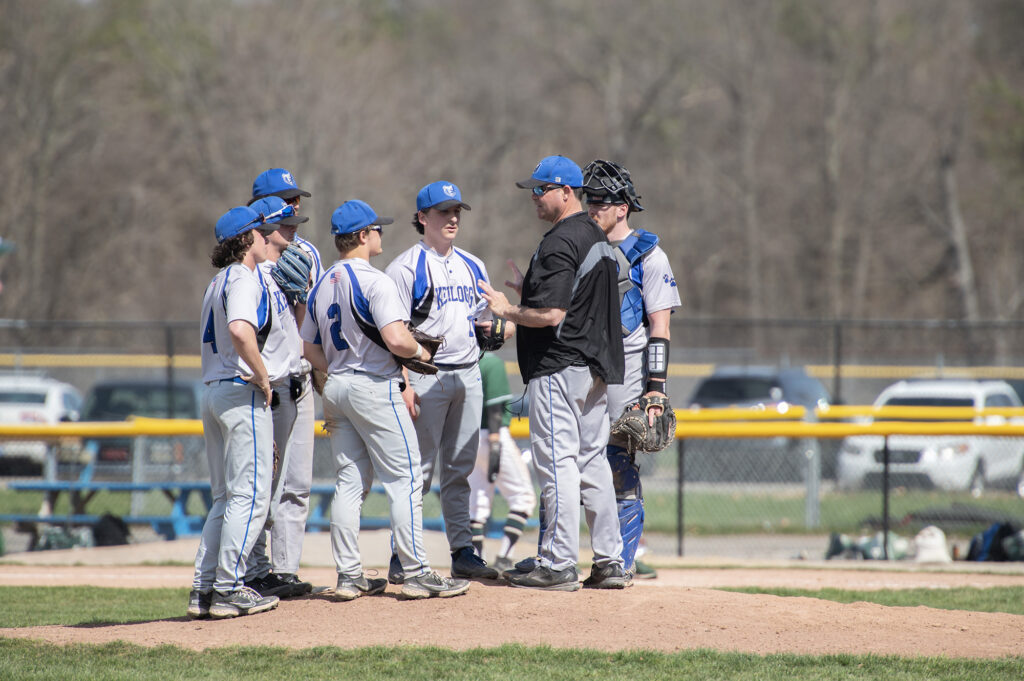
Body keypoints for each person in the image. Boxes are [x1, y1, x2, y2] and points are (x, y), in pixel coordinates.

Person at [300, 199, 471, 600]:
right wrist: (421, 353)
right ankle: (416, 573)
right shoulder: (377, 281)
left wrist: (340, 366)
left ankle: (348, 575)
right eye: (376, 229)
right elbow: (396, 339)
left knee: (349, 482)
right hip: (374, 386)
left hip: (338, 387)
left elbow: (307, 347)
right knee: (407, 479)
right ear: (362, 236)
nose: (381, 234)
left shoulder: (323, 282)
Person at [478, 155, 626, 591]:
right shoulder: (594, 236)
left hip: (561, 366)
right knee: (591, 461)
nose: (535, 197)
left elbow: (554, 314)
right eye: (533, 190)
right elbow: (576, 301)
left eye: (541, 189)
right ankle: (609, 560)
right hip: (595, 367)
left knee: (557, 460)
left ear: (567, 192)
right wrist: (530, 291)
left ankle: (559, 562)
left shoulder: (561, 239)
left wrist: (507, 310)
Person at [384, 181, 510, 582]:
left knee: (459, 470)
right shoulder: (404, 268)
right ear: (422, 218)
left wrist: (496, 328)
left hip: (468, 373)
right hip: (424, 376)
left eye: (457, 210)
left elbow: (483, 323)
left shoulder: (473, 264)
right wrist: (403, 384)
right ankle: (402, 556)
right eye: (443, 211)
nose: (453, 217)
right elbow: (394, 331)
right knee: (417, 472)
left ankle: (462, 550)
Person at [582, 159, 681, 581]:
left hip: (627, 371)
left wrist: (656, 389)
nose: (592, 207)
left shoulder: (650, 256)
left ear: (622, 207)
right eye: (588, 199)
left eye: (601, 201)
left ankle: (622, 562)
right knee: (570, 461)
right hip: (582, 367)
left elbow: (660, 325)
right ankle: (558, 558)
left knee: (617, 460)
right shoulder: (581, 247)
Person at [188, 205, 282, 619]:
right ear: (245, 240)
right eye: (260, 232)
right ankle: (229, 587)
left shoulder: (216, 281)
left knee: (225, 498)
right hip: (239, 389)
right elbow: (241, 330)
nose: (268, 237)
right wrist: (262, 376)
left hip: (212, 390)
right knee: (251, 495)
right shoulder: (243, 277)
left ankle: (204, 589)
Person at [245, 168, 324, 595]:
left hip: (302, 378)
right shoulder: (249, 256)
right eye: (286, 198)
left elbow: (314, 319)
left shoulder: (306, 251)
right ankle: (255, 569)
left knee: (297, 485)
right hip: (268, 384)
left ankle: (285, 570)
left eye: (297, 198)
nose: (295, 205)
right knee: (262, 487)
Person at [466, 351, 537, 572]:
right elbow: (496, 409)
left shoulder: (463, 361)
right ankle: (505, 556)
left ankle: (475, 560)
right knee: (523, 498)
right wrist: (496, 444)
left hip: (468, 438)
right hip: (492, 436)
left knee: (477, 503)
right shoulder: (492, 363)